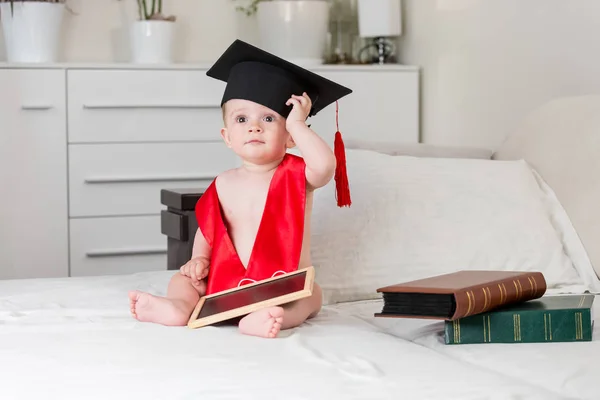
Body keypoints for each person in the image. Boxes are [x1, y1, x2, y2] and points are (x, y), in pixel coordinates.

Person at [128, 40, 352, 338]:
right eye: (242, 119)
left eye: (269, 119)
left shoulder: (297, 175)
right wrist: (199, 261)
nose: (254, 127)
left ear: (290, 138)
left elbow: (326, 166)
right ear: (227, 136)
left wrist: (298, 123)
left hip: (278, 285)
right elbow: (207, 231)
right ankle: (178, 307)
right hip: (224, 285)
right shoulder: (223, 182)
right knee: (183, 280)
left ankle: (267, 318)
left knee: (312, 295)